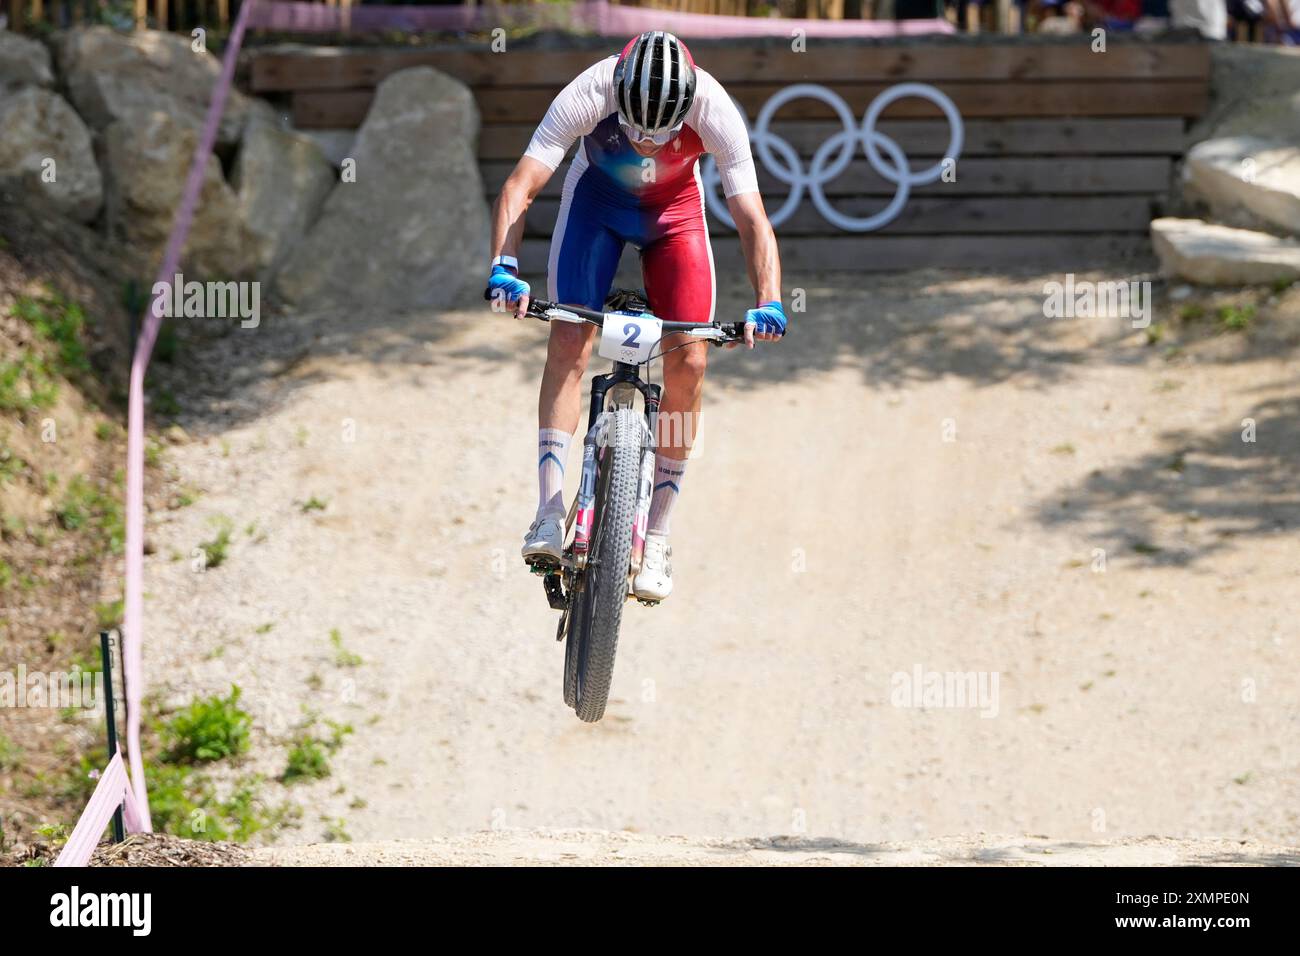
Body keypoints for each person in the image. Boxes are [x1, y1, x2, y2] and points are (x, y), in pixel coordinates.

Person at [485, 31, 786, 602]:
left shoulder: (715, 108)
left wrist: (768, 299)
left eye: (662, 132)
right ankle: (549, 512)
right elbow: (520, 186)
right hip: (595, 206)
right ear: (617, 92)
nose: (648, 143)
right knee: (569, 341)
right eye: (637, 128)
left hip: (675, 218)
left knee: (691, 361)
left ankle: (658, 535)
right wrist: (503, 266)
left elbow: (751, 219)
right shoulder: (590, 89)